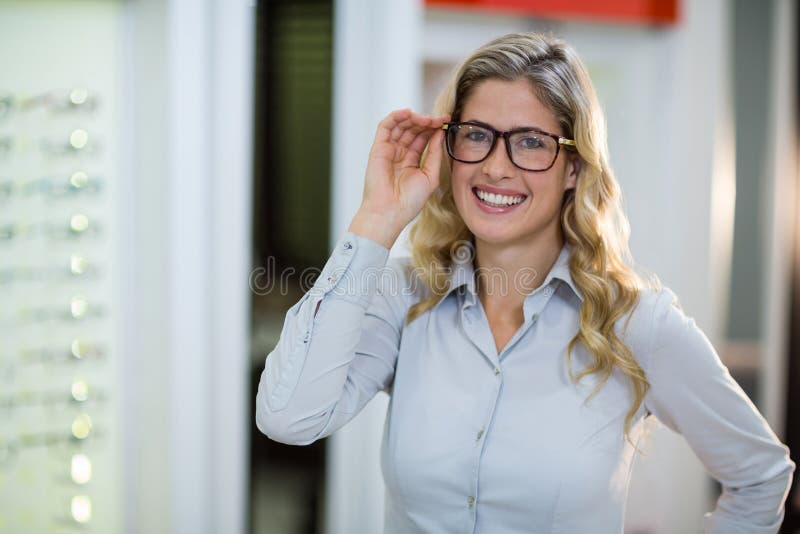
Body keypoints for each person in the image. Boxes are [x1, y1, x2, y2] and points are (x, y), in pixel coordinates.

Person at [255, 32, 795, 533]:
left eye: (531, 142)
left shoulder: (637, 322)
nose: (495, 167)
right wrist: (376, 219)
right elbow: (288, 418)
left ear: (575, 168)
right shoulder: (408, 295)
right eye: (476, 135)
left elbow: (761, 475)